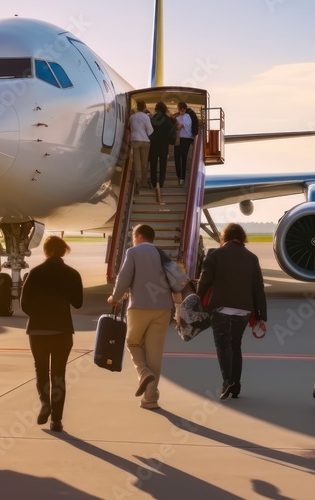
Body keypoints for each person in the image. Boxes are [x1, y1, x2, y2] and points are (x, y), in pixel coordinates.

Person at [195, 223, 267, 400]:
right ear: (242, 237)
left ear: (224, 237)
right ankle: (236, 385)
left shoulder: (215, 254)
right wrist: (260, 315)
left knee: (222, 344)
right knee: (235, 345)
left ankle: (228, 382)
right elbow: (258, 288)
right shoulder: (252, 258)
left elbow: (204, 282)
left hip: (221, 309)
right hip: (243, 311)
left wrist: (196, 302)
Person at [107, 224, 174, 409]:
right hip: (164, 309)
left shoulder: (133, 252)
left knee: (132, 342)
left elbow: (124, 278)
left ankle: (144, 373)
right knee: (155, 352)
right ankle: (151, 397)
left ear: (138, 236)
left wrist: (115, 297)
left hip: (140, 307)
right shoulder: (162, 254)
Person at [20, 236, 83, 432]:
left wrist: (40, 315)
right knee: (59, 374)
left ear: (45, 251)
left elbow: (24, 305)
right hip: (62, 330)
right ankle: (56, 420)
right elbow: (78, 303)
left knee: (41, 370)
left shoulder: (35, 273)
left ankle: (44, 402)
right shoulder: (72, 274)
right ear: (64, 251)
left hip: (38, 330)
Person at [148, 102, 175, 189]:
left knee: (153, 163)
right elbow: (172, 129)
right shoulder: (167, 119)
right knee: (163, 164)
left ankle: (153, 182)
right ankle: (161, 183)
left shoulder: (152, 119)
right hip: (164, 144)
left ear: (156, 108)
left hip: (153, 144)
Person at [128, 101, 153, 192]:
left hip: (134, 140)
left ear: (137, 107)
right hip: (145, 141)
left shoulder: (132, 117)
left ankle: (137, 182)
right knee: (144, 163)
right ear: (144, 107)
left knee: (137, 162)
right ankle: (143, 182)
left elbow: (129, 127)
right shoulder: (146, 117)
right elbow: (150, 131)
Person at [174, 102, 194, 186]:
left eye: (179, 108)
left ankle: (182, 177)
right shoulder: (178, 117)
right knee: (177, 157)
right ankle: (179, 176)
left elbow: (180, 126)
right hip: (179, 138)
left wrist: (175, 120)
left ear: (182, 109)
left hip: (185, 138)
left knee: (183, 157)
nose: (179, 110)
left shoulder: (187, 116)